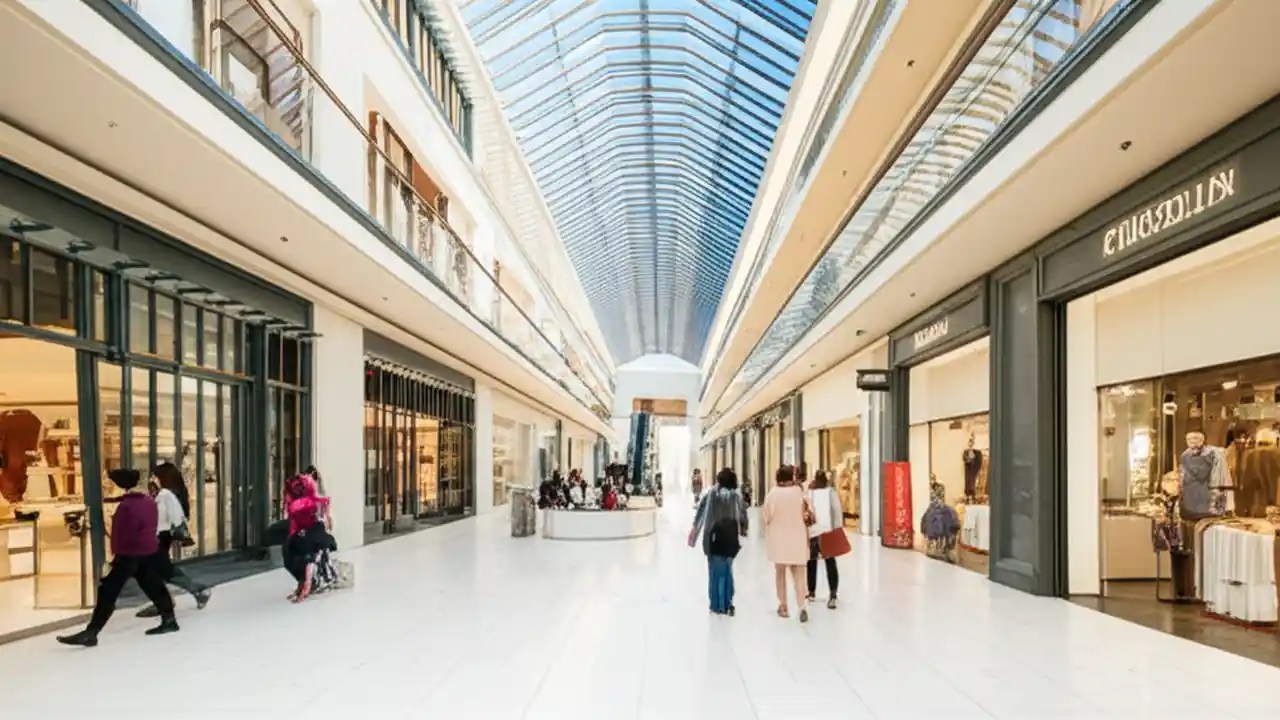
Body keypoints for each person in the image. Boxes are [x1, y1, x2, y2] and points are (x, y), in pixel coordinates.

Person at [57, 469, 178, 647]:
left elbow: (120, 535)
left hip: (130, 553)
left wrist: (116, 556)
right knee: (153, 585)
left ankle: (91, 632)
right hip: (148, 550)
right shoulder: (148, 501)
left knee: (108, 590)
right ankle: (169, 620)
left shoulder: (126, 507)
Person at [134, 462, 212, 618]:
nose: (152, 478)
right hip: (163, 536)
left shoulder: (165, 495)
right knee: (158, 569)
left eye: (155, 475)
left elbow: (160, 517)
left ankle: (196, 591)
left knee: (161, 569)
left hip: (159, 535)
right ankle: (166, 600)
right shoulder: (174, 492)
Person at [690, 468, 748, 615]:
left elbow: (700, 514)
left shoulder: (710, 495)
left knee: (714, 572)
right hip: (730, 539)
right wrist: (743, 529)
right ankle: (727, 603)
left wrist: (694, 534)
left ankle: (716, 604)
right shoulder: (736, 497)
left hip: (712, 538)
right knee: (727, 570)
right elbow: (743, 516)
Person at [763, 465, 810, 622]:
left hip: (779, 539)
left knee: (780, 573)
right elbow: (809, 512)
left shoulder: (772, 494)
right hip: (797, 537)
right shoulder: (799, 492)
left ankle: (783, 605)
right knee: (799, 574)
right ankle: (802, 605)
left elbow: (766, 517)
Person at [283, 473, 332, 602]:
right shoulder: (302, 499)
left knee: (302, 553)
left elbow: (322, 503)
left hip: (312, 532)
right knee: (293, 553)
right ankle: (305, 582)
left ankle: (306, 583)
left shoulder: (302, 501)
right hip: (310, 531)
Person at [806, 470, 843, 609]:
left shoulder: (814, 492)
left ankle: (815, 592)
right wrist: (837, 527)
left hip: (817, 531)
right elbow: (837, 511)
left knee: (815, 562)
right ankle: (828, 593)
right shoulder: (827, 492)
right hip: (824, 531)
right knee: (826, 562)